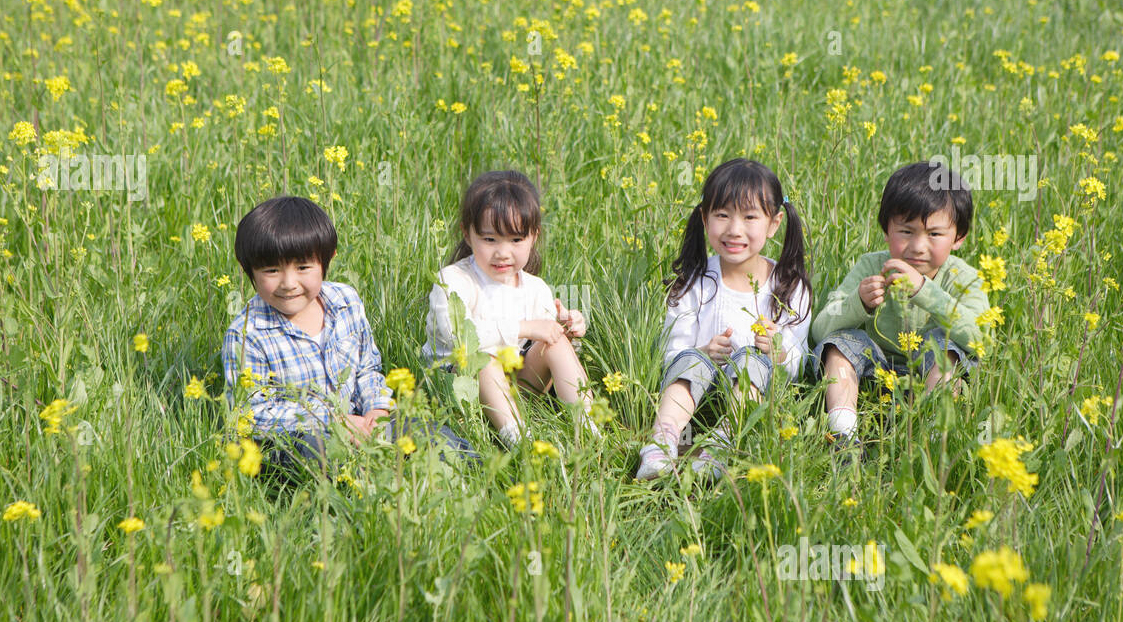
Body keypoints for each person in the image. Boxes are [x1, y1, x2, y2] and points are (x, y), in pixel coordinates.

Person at [222, 195, 475, 476]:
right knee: (312, 452)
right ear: (249, 271)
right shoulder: (247, 333)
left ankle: (472, 470)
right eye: (271, 271)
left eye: (303, 267)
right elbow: (251, 415)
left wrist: (377, 411)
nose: (288, 283)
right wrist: (334, 421)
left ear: (326, 260)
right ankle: (369, 477)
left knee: (423, 428)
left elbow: (367, 369)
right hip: (300, 435)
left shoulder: (345, 301)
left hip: (362, 421)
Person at [635, 158, 813, 481]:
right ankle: (662, 442)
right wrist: (702, 351)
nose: (734, 230)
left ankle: (722, 445)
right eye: (722, 215)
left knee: (749, 364)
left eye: (749, 217)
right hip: (694, 396)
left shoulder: (789, 287)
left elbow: (800, 364)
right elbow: (671, 354)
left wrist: (779, 351)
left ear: (774, 224)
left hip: (754, 397)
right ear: (704, 219)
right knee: (691, 360)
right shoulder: (694, 282)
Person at [809, 161, 989, 451]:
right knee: (838, 345)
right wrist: (859, 303)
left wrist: (923, 291)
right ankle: (843, 435)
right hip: (876, 370)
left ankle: (934, 439)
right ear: (885, 229)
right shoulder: (870, 265)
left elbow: (982, 339)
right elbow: (820, 331)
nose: (918, 246)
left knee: (944, 349)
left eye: (934, 234)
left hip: (930, 373)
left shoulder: (962, 277)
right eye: (906, 231)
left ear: (959, 237)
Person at [423, 170, 597, 447]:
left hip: (518, 385)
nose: (502, 252)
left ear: (533, 237)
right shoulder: (454, 281)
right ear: (467, 235)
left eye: (516, 240)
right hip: (462, 387)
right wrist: (525, 327)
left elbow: (541, 342)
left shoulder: (535, 287)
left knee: (556, 343)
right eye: (490, 240)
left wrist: (563, 328)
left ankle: (587, 427)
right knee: (483, 360)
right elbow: (458, 337)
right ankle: (518, 439)